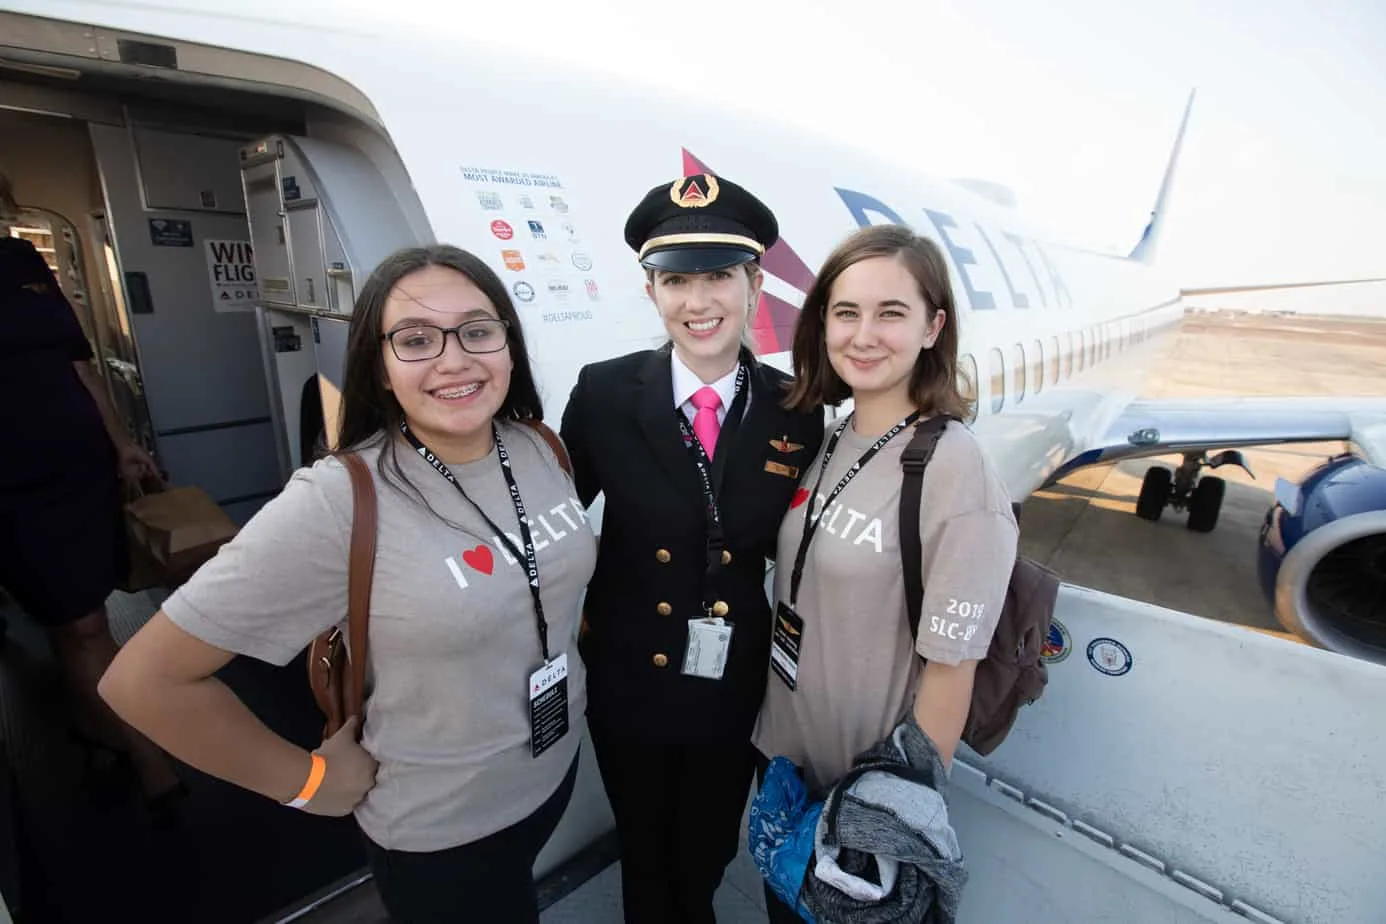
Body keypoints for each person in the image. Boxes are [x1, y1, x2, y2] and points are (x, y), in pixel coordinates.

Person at [99, 244, 596, 923]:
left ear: (509, 345)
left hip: (552, 772)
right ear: (379, 368)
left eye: (478, 331)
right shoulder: (338, 501)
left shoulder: (540, 447)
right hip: (442, 829)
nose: (454, 360)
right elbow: (142, 682)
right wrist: (305, 784)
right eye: (416, 340)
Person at [560, 174, 824, 923]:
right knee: (645, 861)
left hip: (731, 683)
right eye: (677, 280)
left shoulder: (795, 410)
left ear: (755, 283)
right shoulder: (607, 394)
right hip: (629, 679)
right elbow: (554, 521)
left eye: (718, 277)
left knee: (707, 854)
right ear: (651, 292)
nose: (698, 302)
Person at [751, 224, 1019, 921]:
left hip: (861, 794)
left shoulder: (954, 468)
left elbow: (952, 668)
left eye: (890, 313)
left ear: (933, 327)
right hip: (787, 768)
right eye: (846, 313)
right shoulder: (837, 434)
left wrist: (888, 819)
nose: (863, 335)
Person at [0, 169, 180, 811]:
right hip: (12, 481)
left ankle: (92, 720)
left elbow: (79, 364)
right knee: (80, 622)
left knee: (79, 611)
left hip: (79, 465)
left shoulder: (22, 258)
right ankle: (147, 755)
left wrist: (120, 441)